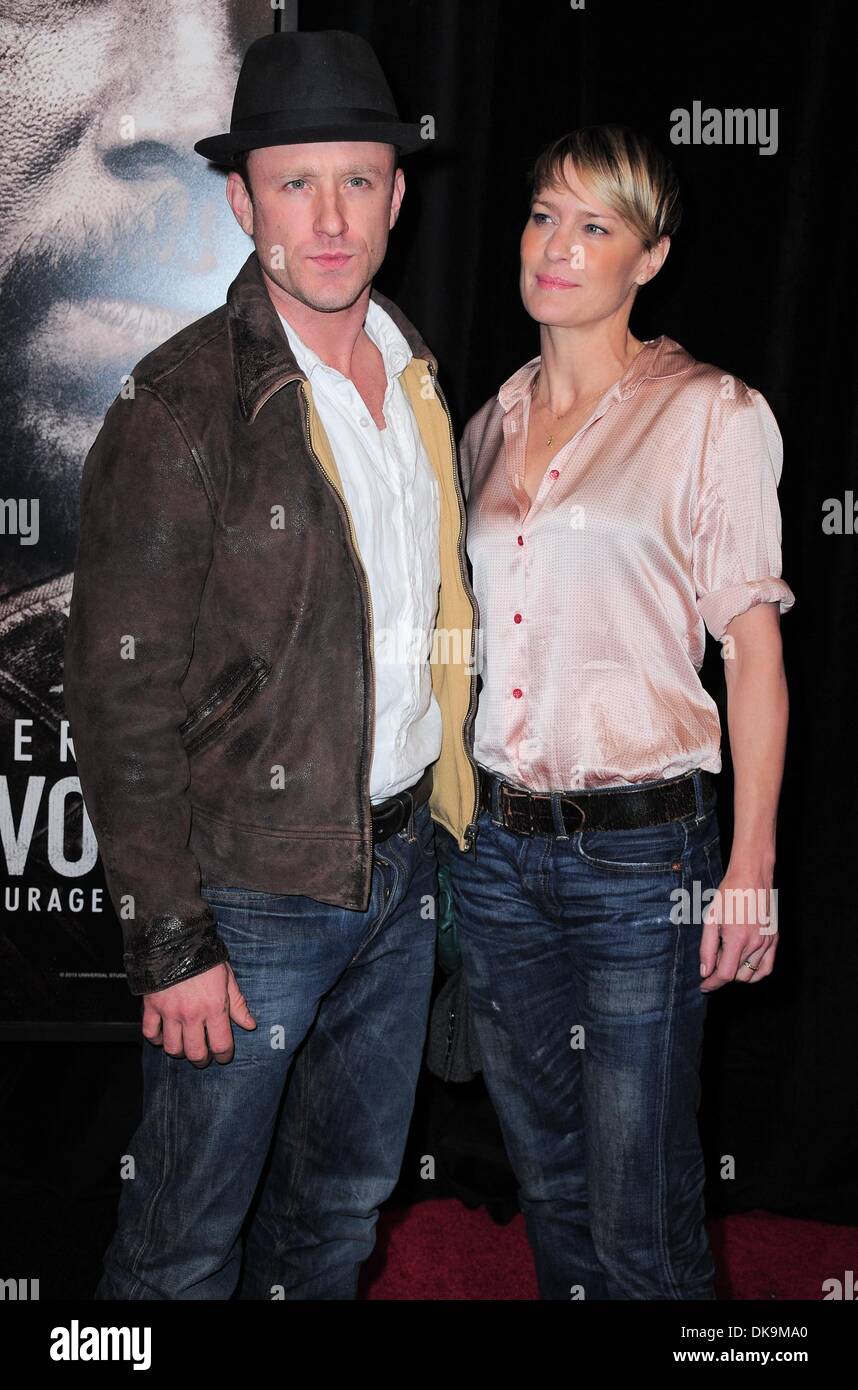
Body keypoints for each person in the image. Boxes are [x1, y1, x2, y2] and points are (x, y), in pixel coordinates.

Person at [63, 29, 480, 1300]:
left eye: (358, 180)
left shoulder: (414, 374)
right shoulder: (180, 402)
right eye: (295, 183)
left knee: (337, 1225)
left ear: (399, 196)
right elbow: (117, 694)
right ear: (243, 202)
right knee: (181, 1243)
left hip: (397, 877)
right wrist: (171, 941)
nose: (331, 215)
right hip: (247, 896)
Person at [446, 124, 795, 1300]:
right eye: (546, 214)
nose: (558, 245)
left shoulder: (712, 414)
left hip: (647, 862)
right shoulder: (485, 423)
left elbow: (753, 650)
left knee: (641, 1214)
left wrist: (750, 863)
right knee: (548, 1185)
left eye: (597, 225)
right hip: (497, 860)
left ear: (648, 258)